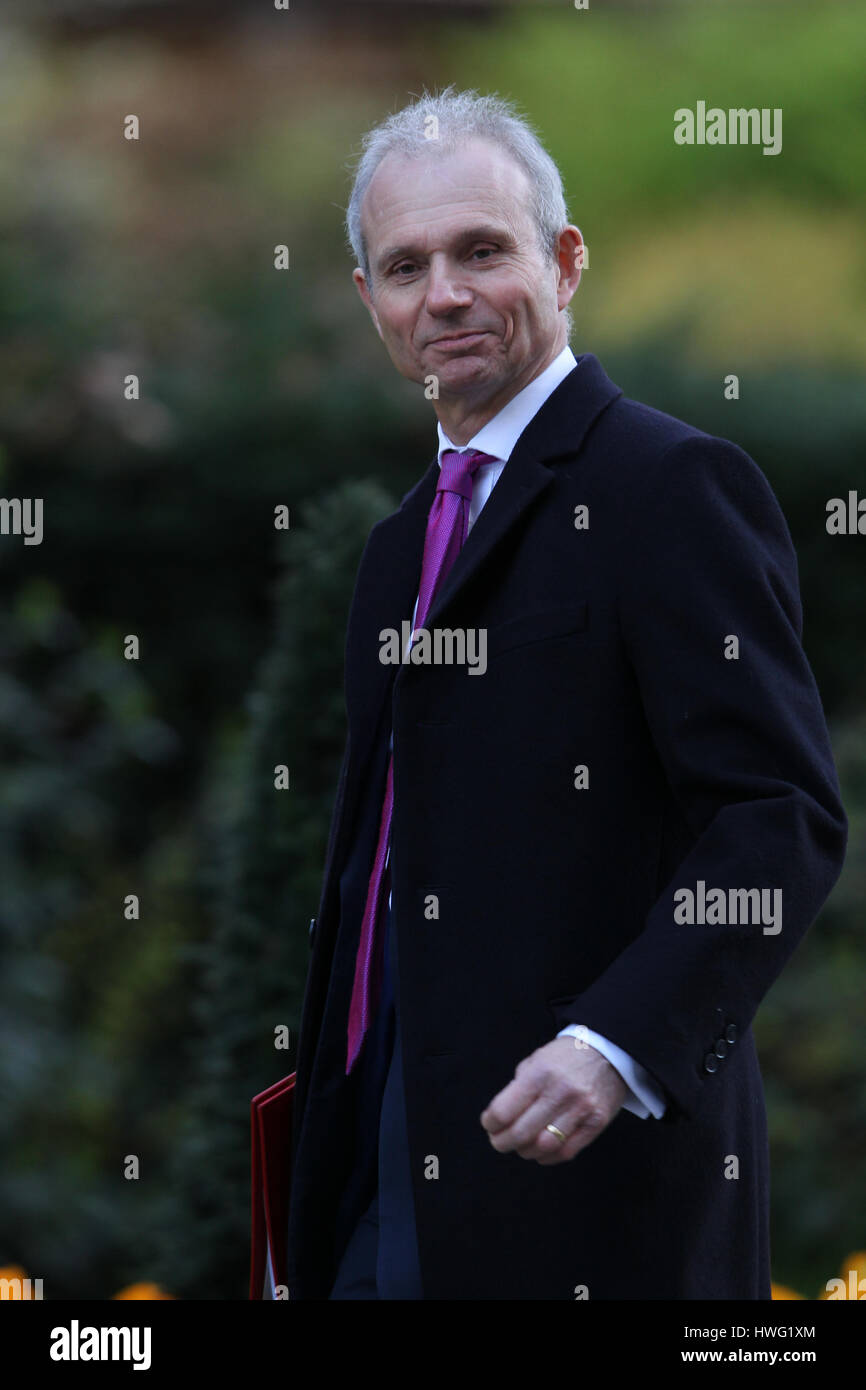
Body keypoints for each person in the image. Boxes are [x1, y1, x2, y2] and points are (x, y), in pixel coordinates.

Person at [285, 87, 847, 1300]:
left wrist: (614, 1043)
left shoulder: (672, 485)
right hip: (377, 1153)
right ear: (370, 300)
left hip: (590, 1179)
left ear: (564, 259)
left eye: (482, 250)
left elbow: (776, 817)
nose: (444, 294)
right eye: (405, 265)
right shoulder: (395, 548)